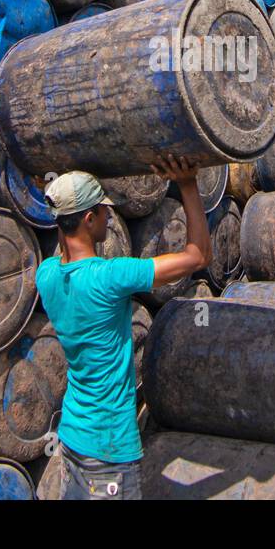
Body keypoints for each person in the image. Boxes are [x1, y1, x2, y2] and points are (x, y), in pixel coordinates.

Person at [36, 155, 212, 500]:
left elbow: (65, 249)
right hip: (108, 446)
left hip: (72, 436)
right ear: (88, 219)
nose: (109, 216)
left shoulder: (47, 275)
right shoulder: (110, 277)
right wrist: (188, 184)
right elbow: (198, 256)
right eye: (103, 211)